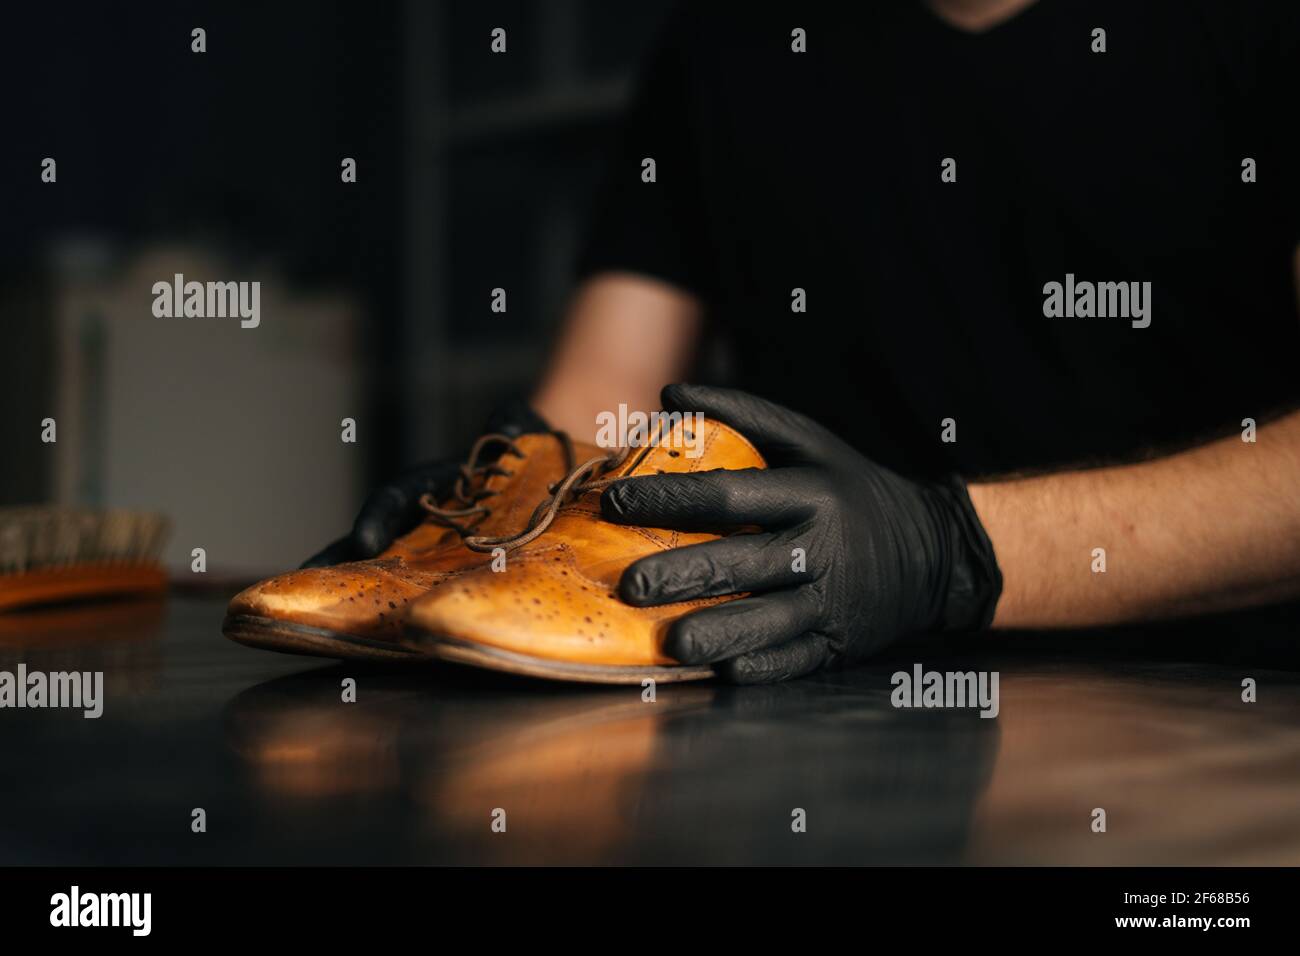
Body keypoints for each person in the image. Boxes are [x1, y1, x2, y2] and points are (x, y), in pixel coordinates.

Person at [313, 0, 1300, 683]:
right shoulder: (729, 40)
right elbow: (598, 396)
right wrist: (514, 492)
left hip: (1221, 707)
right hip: (816, 688)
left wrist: (948, 553)